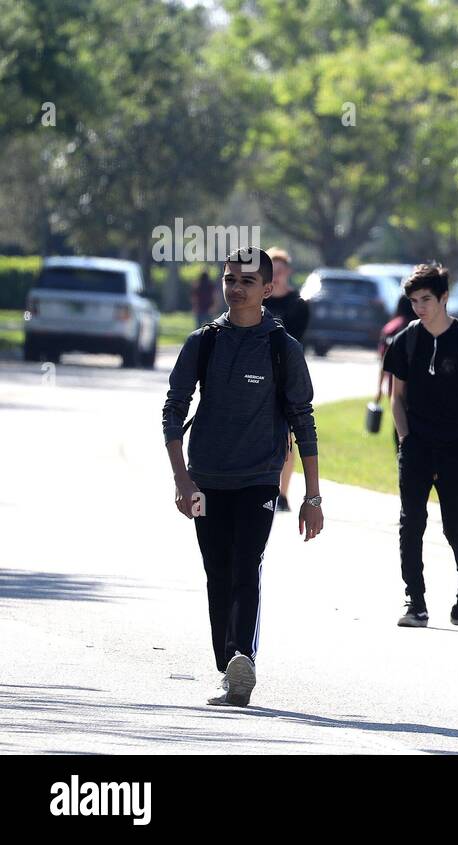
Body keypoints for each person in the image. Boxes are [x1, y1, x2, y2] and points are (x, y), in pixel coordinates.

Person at [162, 247, 323, 707]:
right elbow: (173, 409)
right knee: (218, 571)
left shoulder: (281, 347)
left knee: (246, 564)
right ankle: (226, 665)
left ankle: (241, 659)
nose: (235, 288)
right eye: (230, 279)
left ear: (268, 290)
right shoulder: (203, 342)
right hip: (207, 478)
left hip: (259, 478)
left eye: (246, 281)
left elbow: (303, 421)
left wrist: (312, 496)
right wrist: (182, 479)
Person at [383, 264, 458, 627]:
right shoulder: (405, 341)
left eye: (426, 299)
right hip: (416, 446)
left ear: (444, 297)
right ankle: (416, 601)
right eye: (414, 301)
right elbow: (396, 397)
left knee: (455, 525)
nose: (419, 307)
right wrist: (406, 439)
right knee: (410, 522)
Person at [264, 247, 312, 511]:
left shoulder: (298, 305)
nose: (278, 275)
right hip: (259, 374)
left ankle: (282, 493)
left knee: (286, 436)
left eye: (281, 270)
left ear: (289, 272)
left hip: (288, 376)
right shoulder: (257, 301)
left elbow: (295, 339)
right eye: (273, 269)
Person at [375, 296, 418, 452]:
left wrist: (379, 389)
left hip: (394, 385)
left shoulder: (390, 329)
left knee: (398, 420)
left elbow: (383, 363)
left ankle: (401, 451)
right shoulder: (422, 328)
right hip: (419, 385)